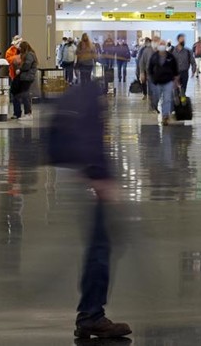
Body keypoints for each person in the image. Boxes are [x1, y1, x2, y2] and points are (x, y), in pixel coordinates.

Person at [48, 77, 131, 340]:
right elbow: (90, 136)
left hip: (82, 172)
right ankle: (91, 315)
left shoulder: (83, 92)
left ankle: (90, 313)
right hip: (93, 178)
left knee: (100, 243)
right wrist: (100, 176)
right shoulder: (93, 96)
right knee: (100, 245)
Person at [146, 41, 179, 126]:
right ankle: (155, 106)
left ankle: (165, 116)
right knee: (156, 97)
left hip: (168, 81)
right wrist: (151, 78)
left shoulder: (170, 57)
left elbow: (175, 68)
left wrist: (175, 78)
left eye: (163, 45)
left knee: (167, 99)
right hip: (156, 82)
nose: (162, 47)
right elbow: (150, 68)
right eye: (160, 45)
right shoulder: (154, 56)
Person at [11, 39, 38, 119]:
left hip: (26, 77)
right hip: (24, 77)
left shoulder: (29, 54)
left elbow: (27, 65)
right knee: (20, 94)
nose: (19, 49)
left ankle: (28, 113)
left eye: (20, 48)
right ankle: (19, 113)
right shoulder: (29, 54)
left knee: (25, 95)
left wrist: (20, 69)